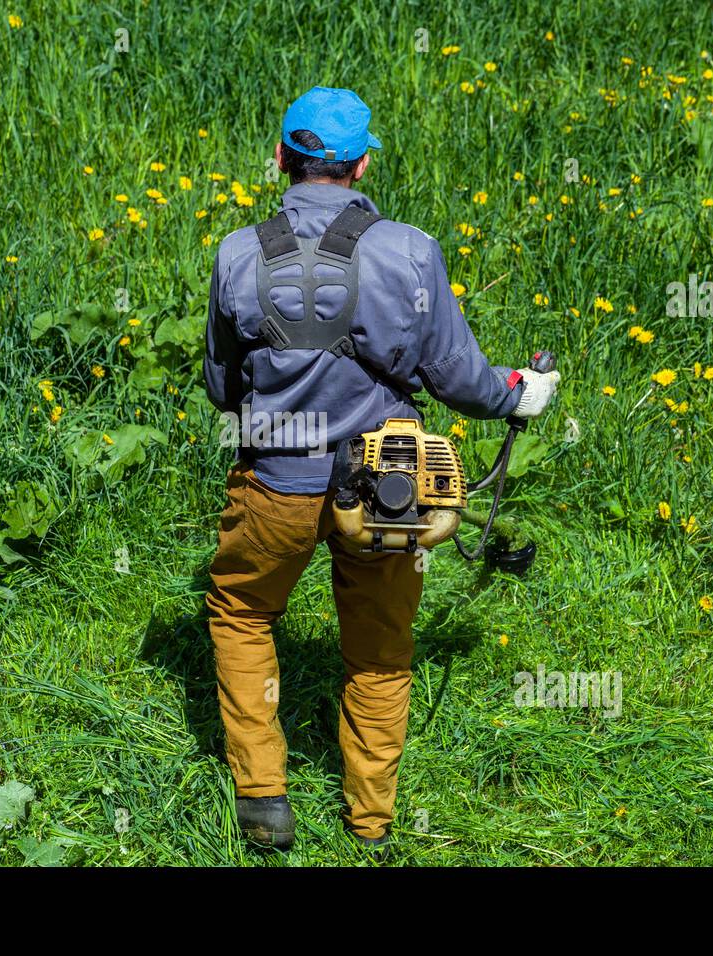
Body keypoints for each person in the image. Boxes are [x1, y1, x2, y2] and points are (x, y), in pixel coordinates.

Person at [202, 86, 560, 856]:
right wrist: (517, 394)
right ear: (362, 165)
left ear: (280, 161)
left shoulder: (237, 252)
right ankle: (369, 821)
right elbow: (460, 382)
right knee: (379, 651)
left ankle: (264, 800)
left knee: (242, 614)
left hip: (273, 481)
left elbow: (220, 386)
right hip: (388, 487)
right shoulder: (410, 251)